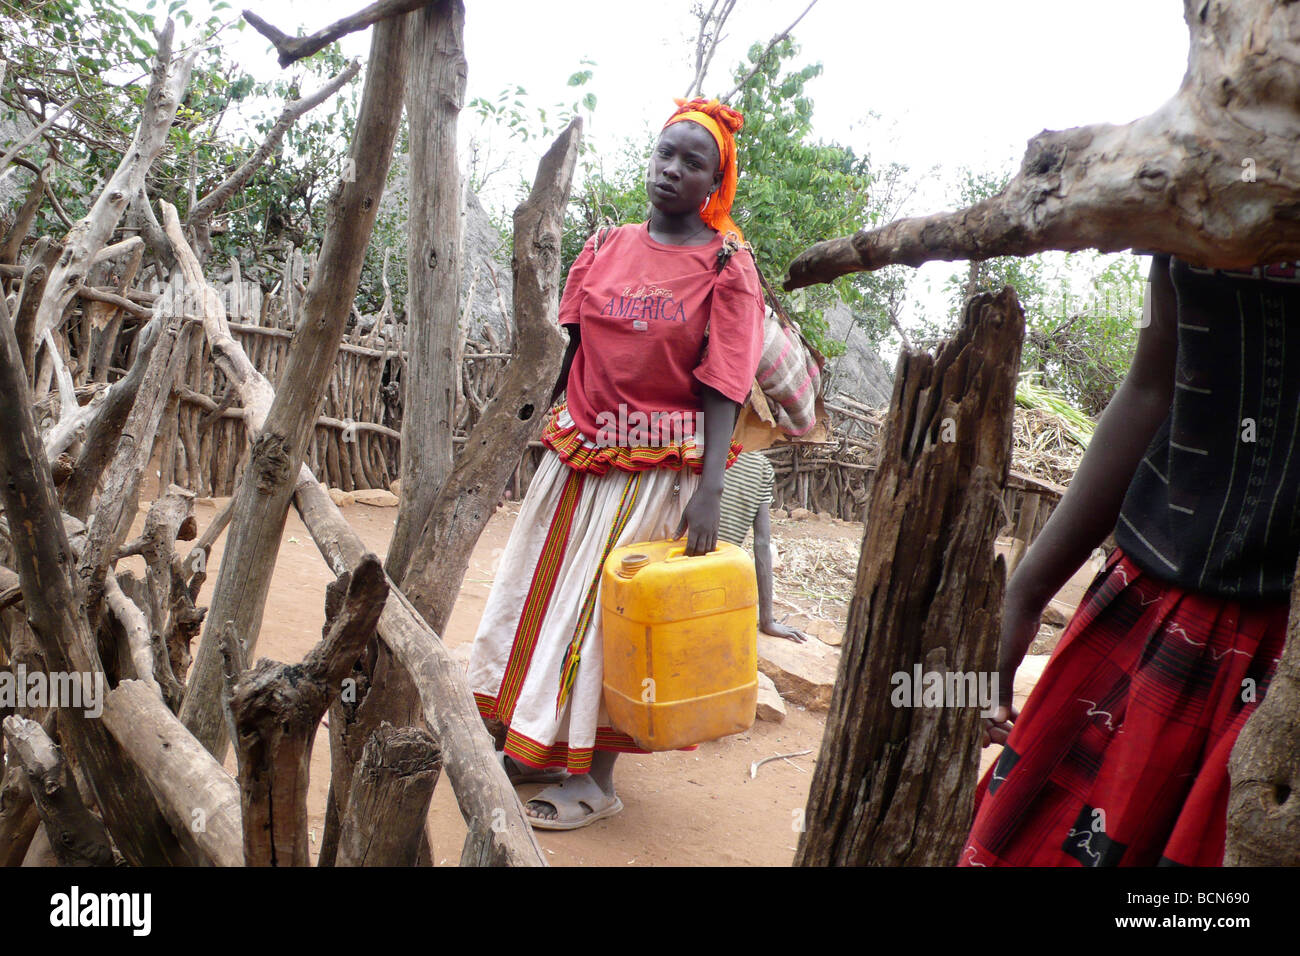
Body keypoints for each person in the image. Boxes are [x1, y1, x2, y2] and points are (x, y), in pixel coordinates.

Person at [465, 96, 766, 830]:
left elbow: (724, 380)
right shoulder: (603, 246)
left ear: (715, 181)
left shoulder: (726, 266)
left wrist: (710, 490)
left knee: (610, 622)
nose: (672, 170)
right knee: (542, 600)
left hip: (655, 468)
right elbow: (571, 354)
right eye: (666, 154)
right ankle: (533, 744)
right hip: (580, 455)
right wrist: (545, 439)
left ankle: (596, 780)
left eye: (693, 162)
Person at [961, 254, 1291, 867]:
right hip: (1149, 611)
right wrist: (1023, 596)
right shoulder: (1186, 178)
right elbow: (1150, 384)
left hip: (1284, 654)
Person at [717, 450, 808, 642]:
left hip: (676, 568)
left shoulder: (699, 447)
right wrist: (767, 620)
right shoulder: (762, 467)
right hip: (720, 581)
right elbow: (762, 544)